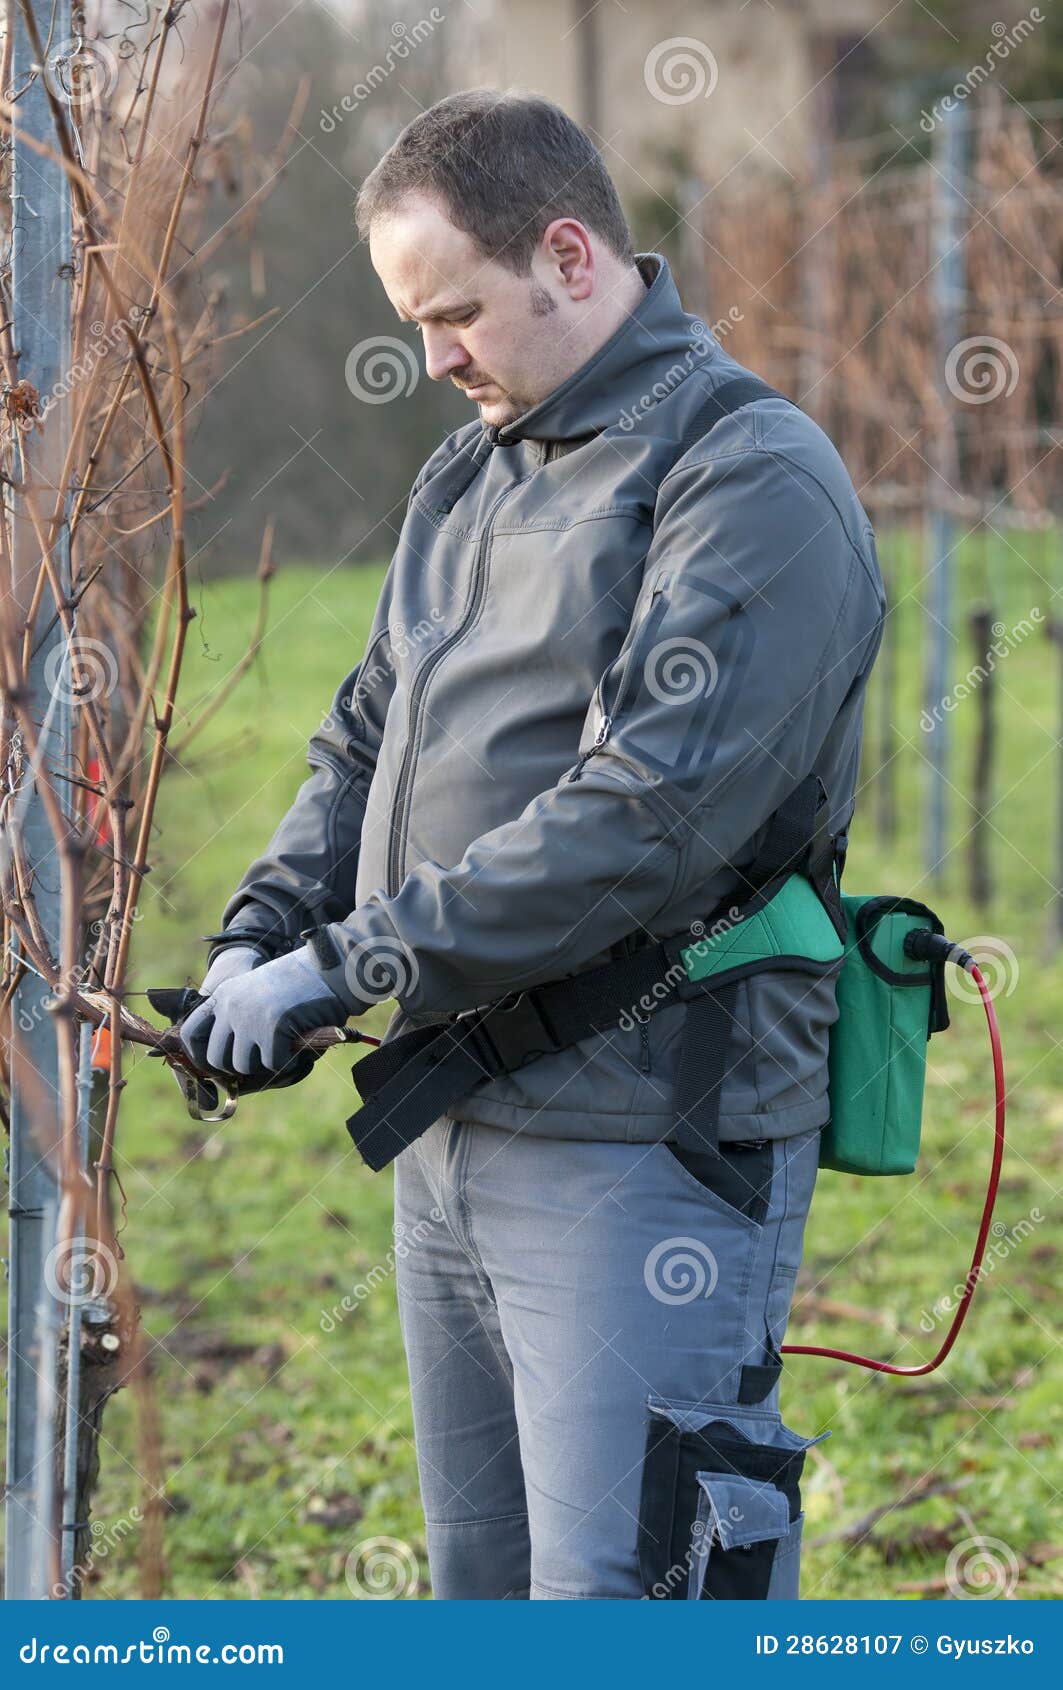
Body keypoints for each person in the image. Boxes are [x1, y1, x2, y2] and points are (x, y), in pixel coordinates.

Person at [178, 89, 886, 1600]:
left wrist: (342, 965)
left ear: (570, 256)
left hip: (642, 1136)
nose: (431, 358)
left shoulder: (745, 477)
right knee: (483, 1596)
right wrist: (265, 927)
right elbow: (367, 728)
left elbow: (645, 822)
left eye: (454, 314)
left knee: (627, 1596)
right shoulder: (471, 475)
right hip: (454, 1127)